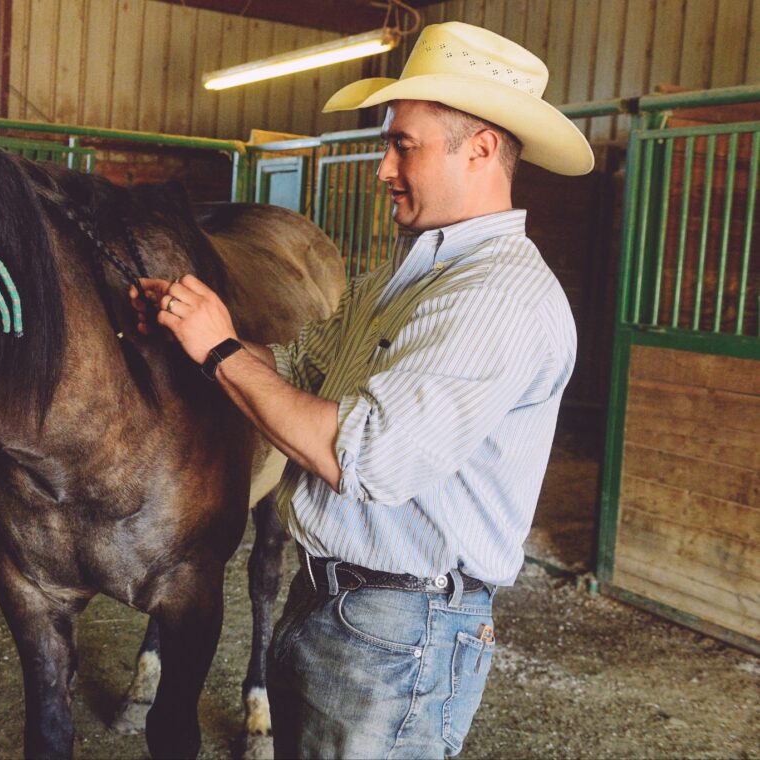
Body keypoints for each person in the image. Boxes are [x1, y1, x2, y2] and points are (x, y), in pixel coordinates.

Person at [130, 21, 594, 760]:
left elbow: (362, 456)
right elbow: (299, 369)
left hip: (403, 631)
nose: (382, 168)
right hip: (342, 607)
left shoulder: (495, 295)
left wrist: (218, 349)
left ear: (479, 148)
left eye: (402, 145)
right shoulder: (408, 274)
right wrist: (190, 326)